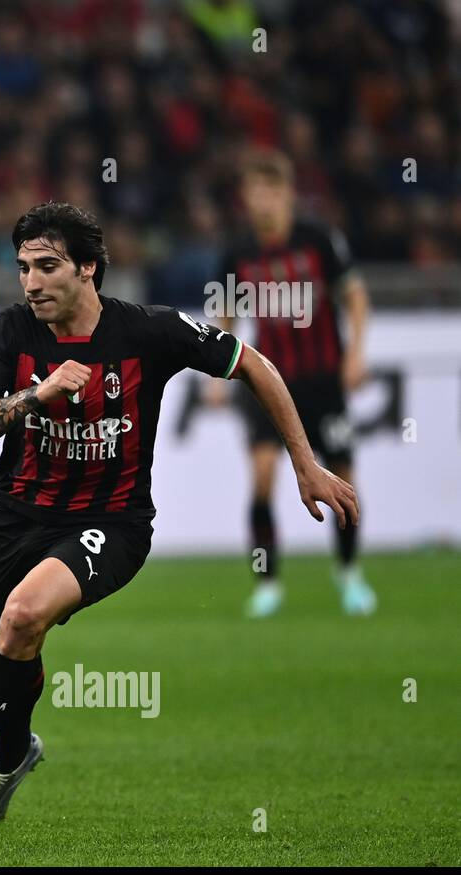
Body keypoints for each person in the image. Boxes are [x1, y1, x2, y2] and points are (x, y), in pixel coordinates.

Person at [0, 201, 358, 825]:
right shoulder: (9, 333)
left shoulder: (150, 330)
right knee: (15, 647)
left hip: (111, 523)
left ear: (88, 268)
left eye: (48, 266)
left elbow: (252, 363)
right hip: (17, 517)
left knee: (22, 615)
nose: (32, 282)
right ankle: (12, 757)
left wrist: (305, 464)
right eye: (23, 268)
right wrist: (35, 395)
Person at [212, 148, 376, 618]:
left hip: (324, 381)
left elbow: (355, 296)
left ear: (287, 194)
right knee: (262, 478)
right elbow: (226, 315)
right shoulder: (236, 253)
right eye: (254, 191)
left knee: (342, 478)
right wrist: (220, 373)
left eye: (271, 190)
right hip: (268, 383)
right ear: (246, 198)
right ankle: (267, 585)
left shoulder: (318, 240)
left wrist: (358, 354)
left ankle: (349, 575)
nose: (262, 200)